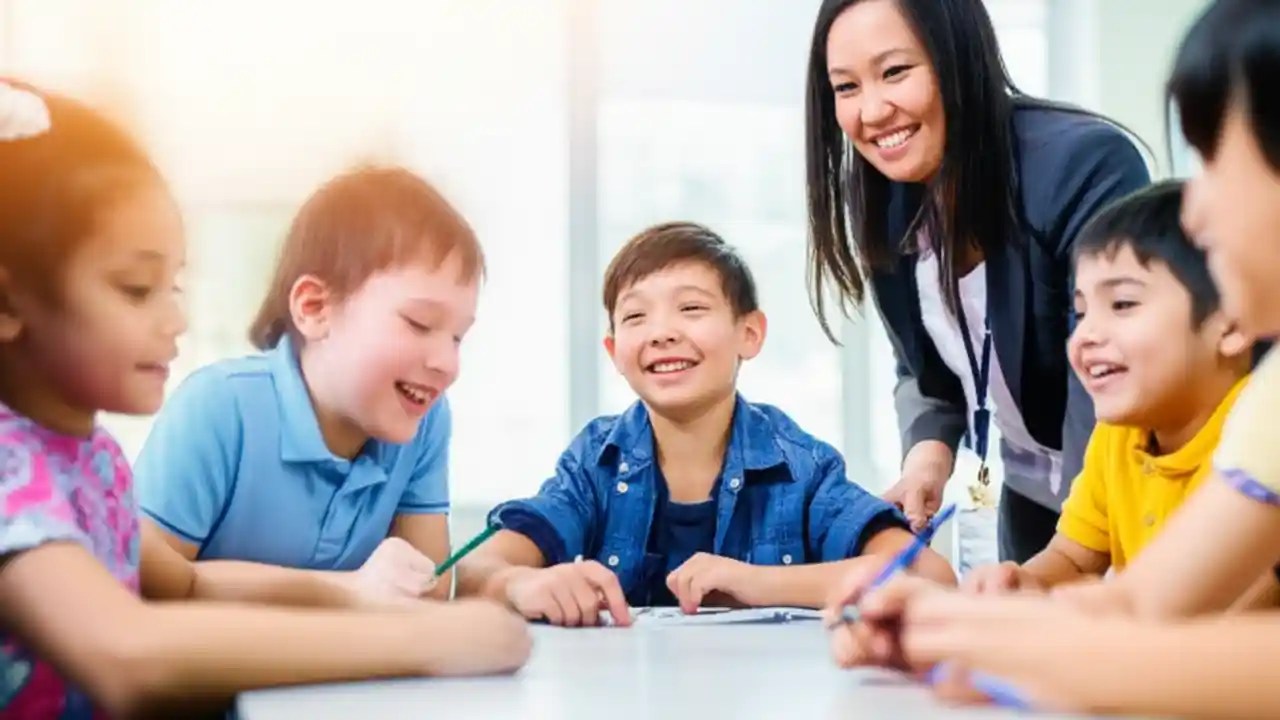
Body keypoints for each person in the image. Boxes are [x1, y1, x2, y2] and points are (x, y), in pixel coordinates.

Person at [0, 79, 529, 719]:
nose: (176, 319)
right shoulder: (9, 470)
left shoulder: (94, 462)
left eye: (175, 285)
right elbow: (128, 652)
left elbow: (185, 583)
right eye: (137, 288)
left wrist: (357, 598)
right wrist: (421, 639)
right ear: (8, 302)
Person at [825, 2, 1280, 717]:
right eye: (844, 87)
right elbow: (1145, 601)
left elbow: (1231, 651)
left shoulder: (1073, 162)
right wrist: (954, 624)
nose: (1191, 215)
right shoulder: (1271, 403)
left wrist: (999, 644)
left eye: (1219, 162)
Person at [456, 222, 955, 626]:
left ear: (750, 333)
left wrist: (757, 584)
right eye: (635, 318)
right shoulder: (594, 463)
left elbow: (929, 577)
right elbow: (476, 573)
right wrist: (524, 585)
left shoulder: (802, 467)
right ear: (614, 352)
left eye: (691, 309)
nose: (662, 333)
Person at [804, 0, 1150, 562]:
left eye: (895, 72)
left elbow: (1111, 369)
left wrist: (1070, 558)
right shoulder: (887, 197)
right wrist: (928, 457)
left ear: (958, 60)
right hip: (1032, 499)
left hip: (1132, 497)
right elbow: (922, 364)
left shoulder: (1078, 165)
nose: (871, 111)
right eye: (845, 87)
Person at [135, 165, 481, 600]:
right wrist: (349, 591)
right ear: (315, 308)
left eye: (458, 337)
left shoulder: (423, 422)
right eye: (419, 323)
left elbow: (426, 595)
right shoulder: (219, 408)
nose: (447, 363)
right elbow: (141, 583)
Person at [962, 180, 1262, 597]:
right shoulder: (1116, 438)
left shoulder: (1259, 439)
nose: (1085, 335)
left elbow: (1216, 618)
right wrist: (1021, 583)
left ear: (1231, 323)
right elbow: (1072, 557)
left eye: (1122, 304)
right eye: (1081, 312)